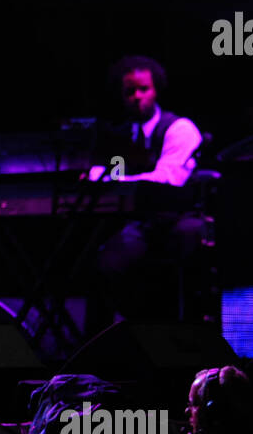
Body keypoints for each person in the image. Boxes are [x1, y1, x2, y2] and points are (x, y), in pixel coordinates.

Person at [87, 55, 207, 327]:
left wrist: (114, 179)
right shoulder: (122, 133)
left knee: (184, 246)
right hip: (144, 222)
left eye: (144, 89)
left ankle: (184, 333)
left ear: (156, 90)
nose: (137, 97)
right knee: (105, 264)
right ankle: (96, 350)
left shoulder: (179, 128)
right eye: (129, 91)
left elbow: (169, 178)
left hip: (180, 217)